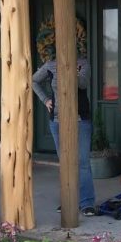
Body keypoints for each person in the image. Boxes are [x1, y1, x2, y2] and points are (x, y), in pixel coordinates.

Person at [32, 15, 96, 216]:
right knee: (65, 162)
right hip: (57, 120)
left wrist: (70, 71)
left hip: (80, 120)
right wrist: (46, 100)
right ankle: (69, 200)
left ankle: (86, 203)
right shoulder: (50, 64)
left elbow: (83, 84)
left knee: (83, 162)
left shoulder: (83, 64)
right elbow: (33, 81)